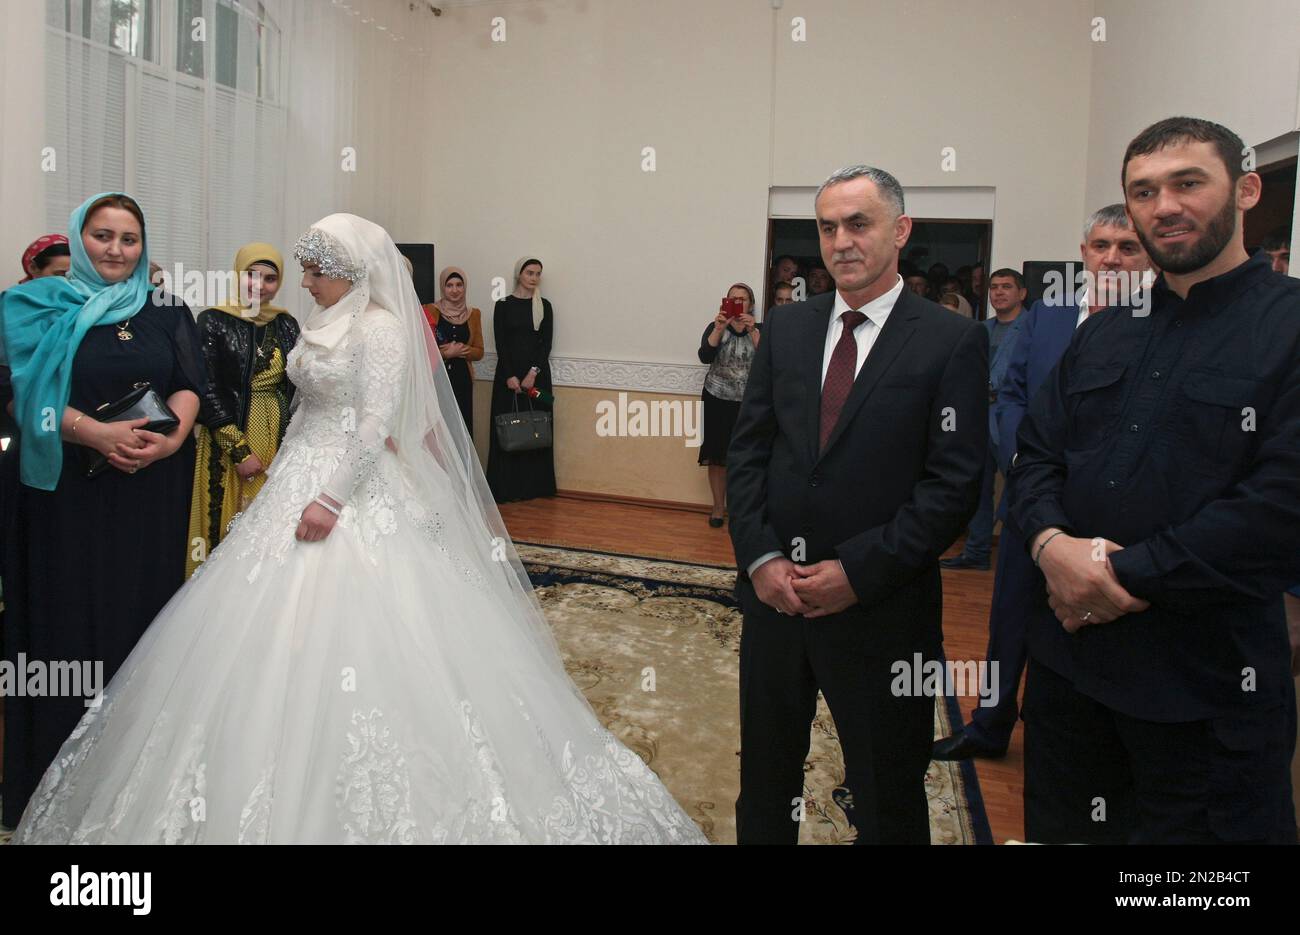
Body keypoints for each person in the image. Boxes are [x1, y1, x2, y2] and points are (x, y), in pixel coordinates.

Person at [9, 214, 708, 844]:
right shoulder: (319, 323)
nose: (304, 278)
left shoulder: (380, 328)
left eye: (315, 268)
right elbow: (305, 405)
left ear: (349, 272)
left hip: (348, 490)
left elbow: (374, 423)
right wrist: (285, 477)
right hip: (296, 472)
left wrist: (330, 499)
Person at [1010, 117, 1300, 843]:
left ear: (1248, 190)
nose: (1164, 204)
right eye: (1143, 190)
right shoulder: (1106, 329)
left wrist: (1112, 574)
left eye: (1188, 182)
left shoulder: (1289, 327)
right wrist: (1050, 545)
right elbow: (1037, 451)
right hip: (1068, 676)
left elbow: (1279, 508)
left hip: (1204, 694)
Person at [727, 165, 987, 844]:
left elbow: (953, 486)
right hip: (776, 605)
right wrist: (759, 557)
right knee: (765, 777)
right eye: (827, 226)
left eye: (858, 223)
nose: (840, 240)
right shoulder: (785, 328)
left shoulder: (950, 339)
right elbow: (749, 452)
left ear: (900, 230)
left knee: (887, 789)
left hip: (883, 612)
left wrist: (858, 572)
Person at [0, 192, 204, 830]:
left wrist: (169, 439)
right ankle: (52, 785)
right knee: (65, 626)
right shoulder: (30, 306)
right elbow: (13, 396)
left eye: (129, 239)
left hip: (149, 493)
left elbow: (189, 384)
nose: (116, 250)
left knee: (140, 624)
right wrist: (94, 433)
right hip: (63, 497)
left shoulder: (167, 308)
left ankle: (132, 783)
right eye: (102, 236)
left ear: (144, 246)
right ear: (77, 237)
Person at [933, 203, 1152, 761]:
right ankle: (988, 726)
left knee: (1089, 629)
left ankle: (1073, 740)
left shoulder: (1163, 323)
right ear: (1084, 254)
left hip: (1105, 521)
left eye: (1128, 247)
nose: (1113, 258)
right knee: (1009, 620)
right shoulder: (1049, 314)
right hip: (1032, 504)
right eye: (1101, 246)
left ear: (1148, 255)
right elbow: (1010, 394)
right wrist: (1018, 463)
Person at [187, 243, 301, 579]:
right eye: (252, 275)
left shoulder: (286, 323)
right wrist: (238, 449)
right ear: (238, 275)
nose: (260, 285)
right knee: (226, 521)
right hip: (230, 435)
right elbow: (206, 388)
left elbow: (297, 384)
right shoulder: (213, 320)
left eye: (270, 278)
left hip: (277, 432)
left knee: (270, 522)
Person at [942, 268, 1026, 571]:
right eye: (994, 287)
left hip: (1011, 421)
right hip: (978, 419)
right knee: (978, 491)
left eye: (1006, 287)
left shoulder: (1032, 326)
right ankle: (976, 552)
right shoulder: (981, 328)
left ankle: (1023, 557)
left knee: (1021, 490)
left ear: (1022, 293)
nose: (999, 292)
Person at [486, 257, 555, 503]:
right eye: (529, 273)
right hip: (507, 378)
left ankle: (535, 487)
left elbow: (545, 343)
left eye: (538, 274)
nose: (534, 278)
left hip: (538, 379)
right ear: (519, 274)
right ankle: (506, 488)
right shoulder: (502, 304)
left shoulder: (544, 306)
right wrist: (511, 376)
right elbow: (501, 343)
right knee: (508, 429)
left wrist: (532, 374)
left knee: (538, 428)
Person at [698, 282, 760, 526]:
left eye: (742, 299)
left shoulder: (761, 329)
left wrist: (753, 331)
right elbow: (704, 356)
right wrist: (718, 328)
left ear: (751, 304)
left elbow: (771, 359)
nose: (738, 302)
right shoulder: (716, 327)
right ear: (725, 302)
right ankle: (717, 509)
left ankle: (741, 510)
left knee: (745, 459)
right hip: (716, 399)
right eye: (732, 298)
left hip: (748, 405)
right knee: (717, 457)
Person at [425, 266, 484, 439]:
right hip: (436, 377)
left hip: (462, 378)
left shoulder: (474, 314)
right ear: (442, 287)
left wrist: (462, 351)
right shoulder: (429, 310)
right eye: (449, 285)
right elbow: (421, 347)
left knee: (461, 426)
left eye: (459, 285)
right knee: (438, 427)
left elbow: (479, 351)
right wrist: (445, 354)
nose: (455, 290)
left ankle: (463, 466)